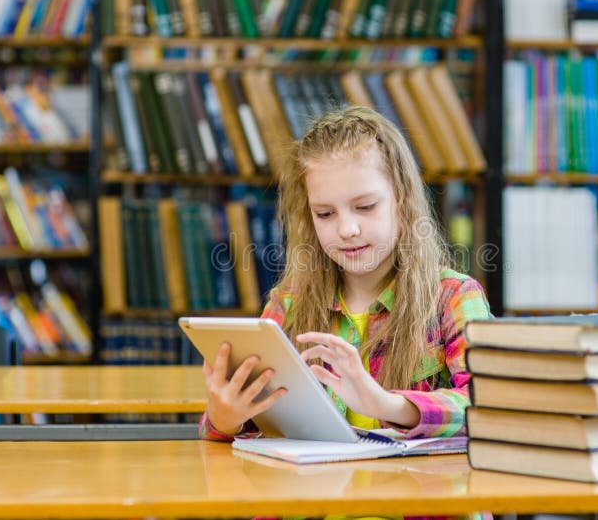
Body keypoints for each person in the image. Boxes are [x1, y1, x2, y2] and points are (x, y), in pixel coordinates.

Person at [199, 105, 491, 442]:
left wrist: (388, 405)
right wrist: (225, 416)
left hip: (412, 491)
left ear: (403, 201)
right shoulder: (288, 303)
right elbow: (226, 425)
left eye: (365, 207)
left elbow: (487, 405)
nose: (347, 229)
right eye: (325, 214)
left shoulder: (454, 296)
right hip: (316, 491)